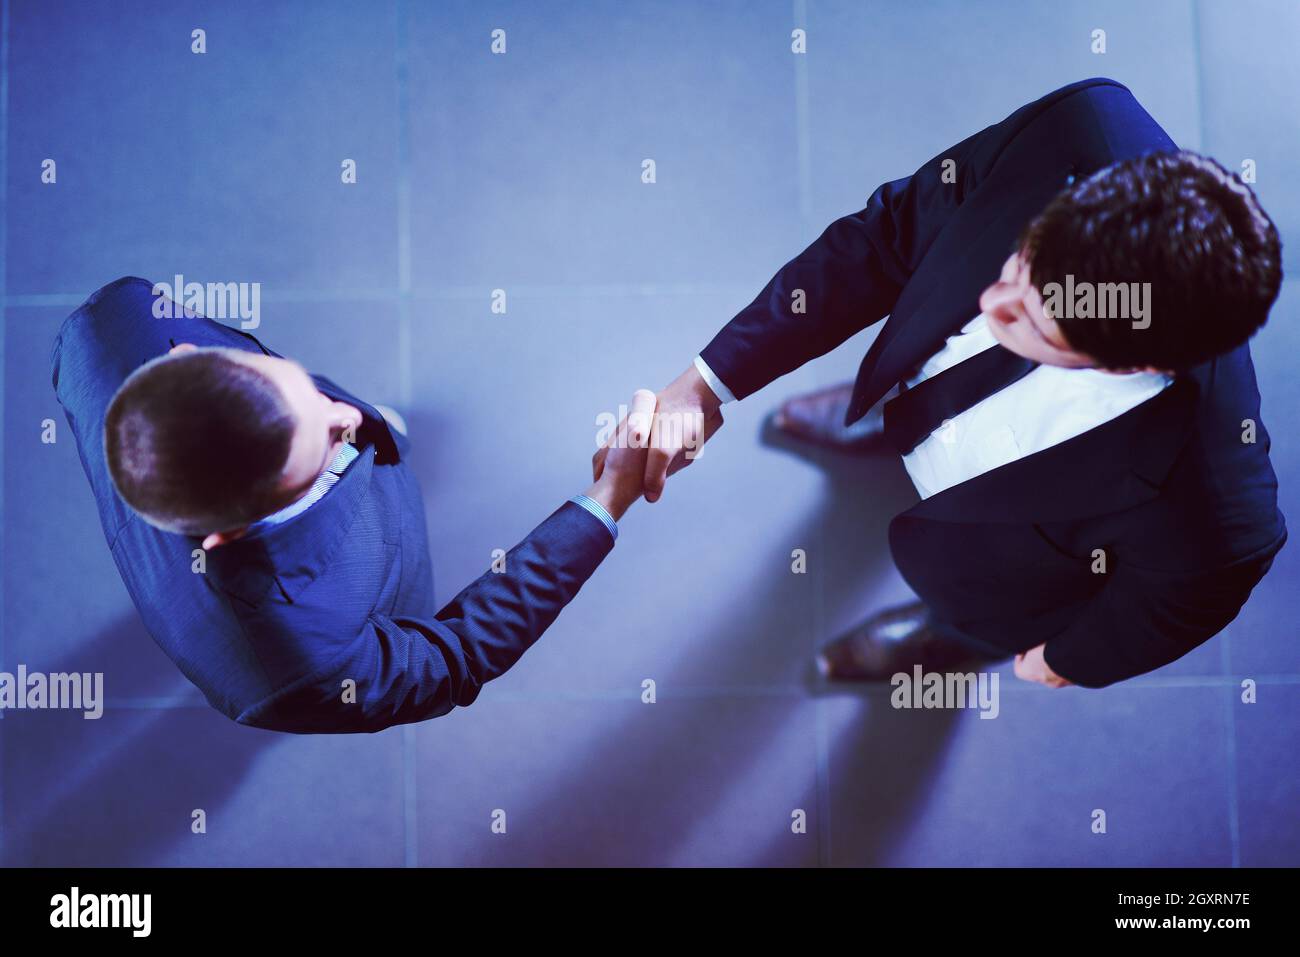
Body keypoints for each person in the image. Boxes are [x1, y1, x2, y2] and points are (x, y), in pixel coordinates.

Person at [606, 77, 1286, 689]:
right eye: (1023, 262)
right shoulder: (1079, 130)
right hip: (931, 392)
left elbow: (1166, 611)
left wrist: (1065, 660)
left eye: (1033, 324)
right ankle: (896, 414)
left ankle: (946, 639)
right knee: (912, 388)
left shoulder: (1220, 522)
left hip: (987, 566)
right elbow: (887, 236)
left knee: (975, 616)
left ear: (1138, 365)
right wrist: (705, 385)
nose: (991, 304)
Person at [52, 276, 659, 732]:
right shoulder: (302, 669)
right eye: (327, 443)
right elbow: (459, 654)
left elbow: (330, 414)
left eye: (287, 380)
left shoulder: (116, 321)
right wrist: (611, 494)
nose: (348, 414)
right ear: (228, 539)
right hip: (368, 586)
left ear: (187, 358)